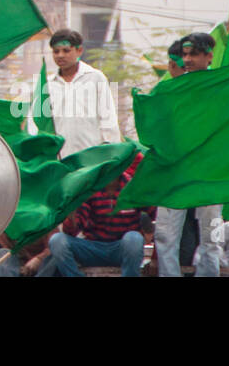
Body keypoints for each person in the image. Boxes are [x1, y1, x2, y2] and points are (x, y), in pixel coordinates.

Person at [154, 32, 222, 277]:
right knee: (164, 234)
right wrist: (176, 85)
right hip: (177, 171)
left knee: (212, 236)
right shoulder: (170, 87)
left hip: (211, 172)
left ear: (209, 56)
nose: (188, 59)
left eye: (193, 53)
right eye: (184, 54)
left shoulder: (221, 86)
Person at [47, 159, 152, 277]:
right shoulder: (90, 188)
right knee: (57, 240)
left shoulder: (133, 187)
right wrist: (72, 216)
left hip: (121, 249)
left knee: (134, 239)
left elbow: (154, 213)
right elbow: (71, 231)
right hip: (93, 248)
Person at [44, 29, 121, 157]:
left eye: (66, 50)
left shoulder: (95, 77)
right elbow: (37, 123)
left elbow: (108, 118)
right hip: (60, 159)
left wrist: (111, 152)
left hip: (92, 158)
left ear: (79, 50)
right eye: (56, 51)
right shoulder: (47, 84)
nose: (60, 55)